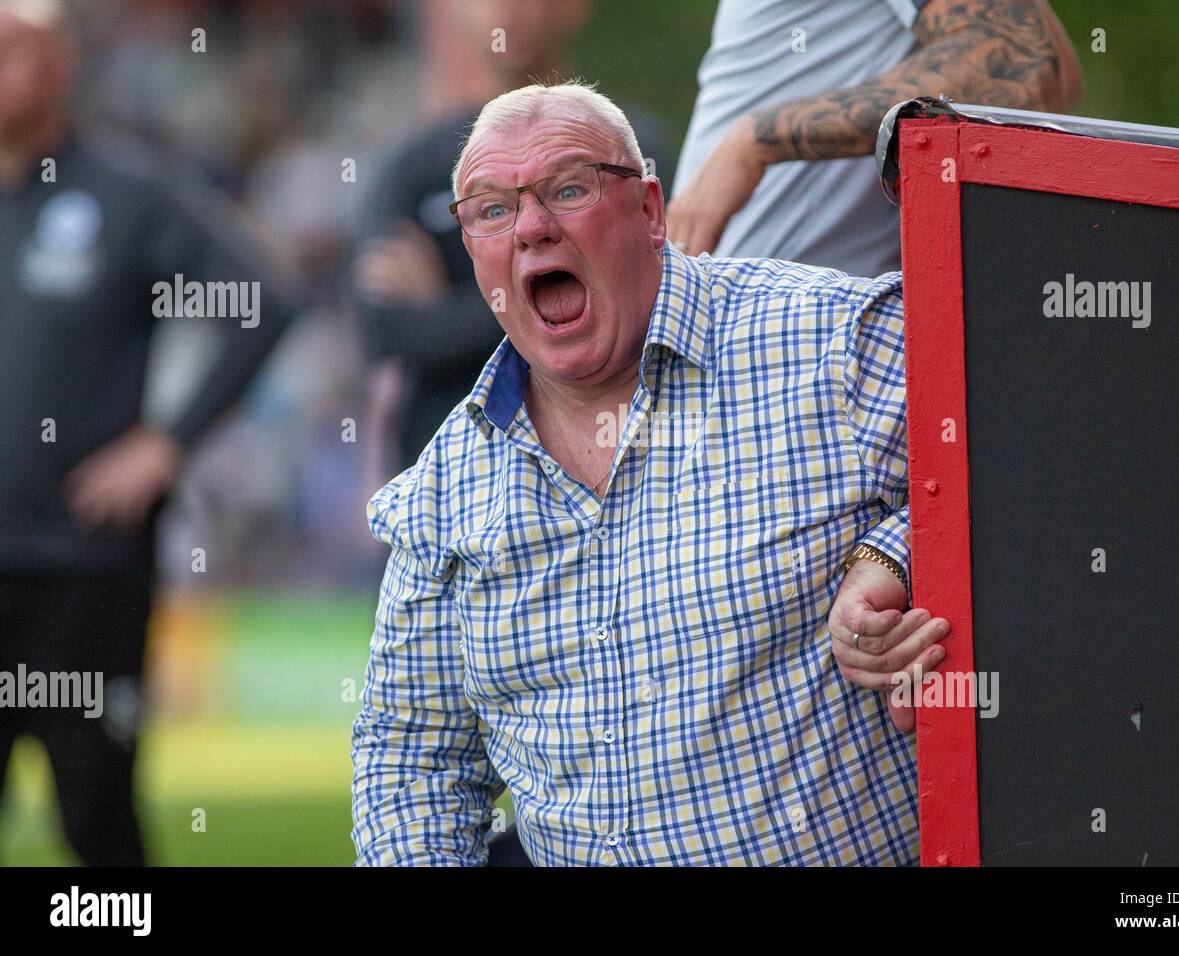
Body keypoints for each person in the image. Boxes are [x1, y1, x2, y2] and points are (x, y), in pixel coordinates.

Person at [351, 82, 951, 867]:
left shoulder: (822, 344)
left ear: (650, 211)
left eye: (569, 189)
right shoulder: (442, 494)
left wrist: (890, 558)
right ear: (474, 252)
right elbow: (411, 765)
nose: (532, 227)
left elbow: (1028, 440)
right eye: (492, 210)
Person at [0, 0, 295, 865]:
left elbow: (259, 303)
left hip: (83, 568)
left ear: (61, 68)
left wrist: (166, 443)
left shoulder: (128, 193)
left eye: (14, 50)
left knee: (93, 816)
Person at [352, 0, 676, 470]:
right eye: (491, 210)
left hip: (624, 462)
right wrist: (570, 299)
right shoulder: (411, 166)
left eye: (568, 190)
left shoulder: (630, 146)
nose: (508, 11)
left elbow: (656, 298)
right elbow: (380, 325)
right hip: (454, 471)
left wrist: (451, 305)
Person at [669, 0, 1083, 276]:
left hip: (794, 347)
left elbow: (1023, 61)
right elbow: (1058, 69)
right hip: (792, 330)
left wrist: (752, 141)